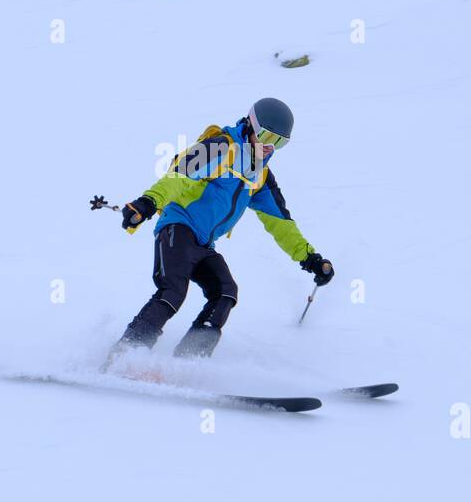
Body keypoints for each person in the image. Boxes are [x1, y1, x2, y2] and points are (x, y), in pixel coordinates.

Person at [110, 97, 334, 360]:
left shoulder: (260, 176)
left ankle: (188, 361)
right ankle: (124, 355)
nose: (270, 147)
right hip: (178, 228)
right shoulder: (221, 148)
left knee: (225, 292)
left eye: (279, 142)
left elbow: (281, 223)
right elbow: (178, 177)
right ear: (251, 126)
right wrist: (147, 203)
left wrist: (310, 259)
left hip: (204, 245)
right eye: (266, 136)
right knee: (173, 291)